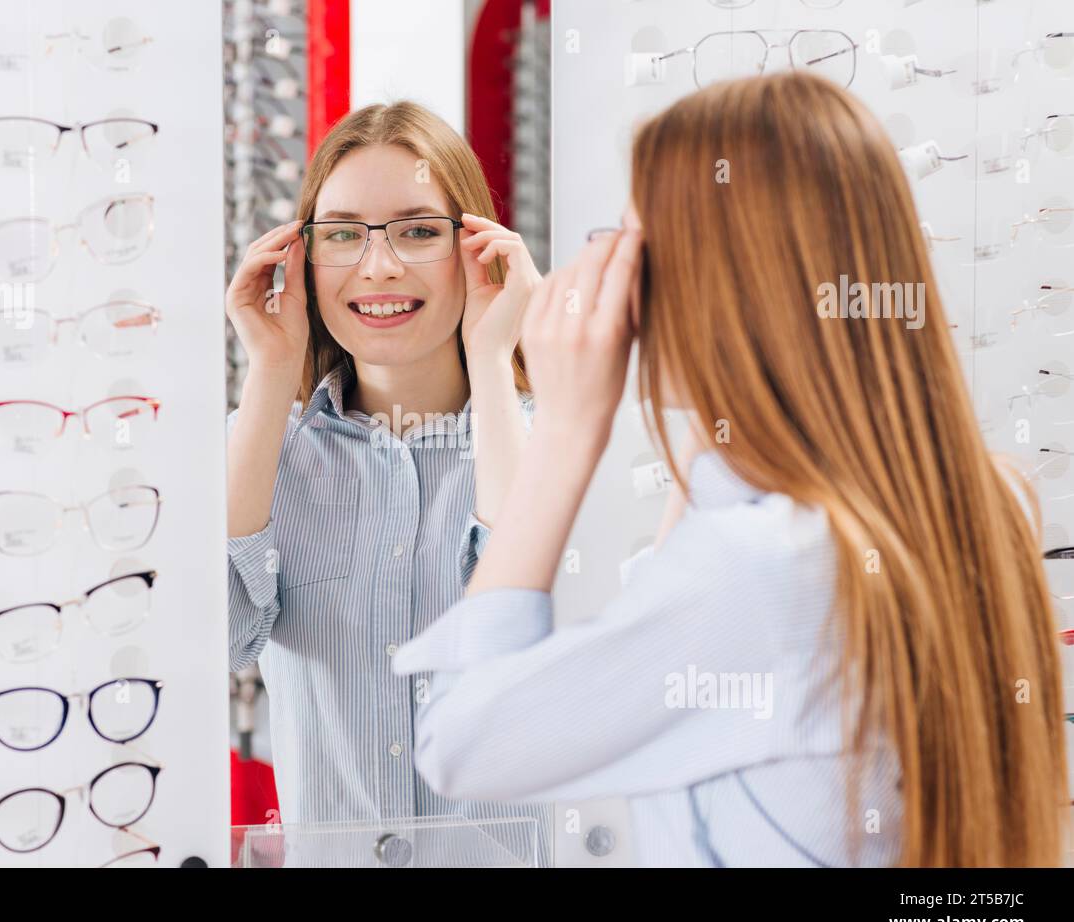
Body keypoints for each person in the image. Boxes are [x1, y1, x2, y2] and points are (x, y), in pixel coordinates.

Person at [392, 72, 1070, 867]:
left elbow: (461, 744)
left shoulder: (764, 569)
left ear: (724, 286)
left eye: (634, 249)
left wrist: (569, 430)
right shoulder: (982, 502)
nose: (614, 280)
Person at [225, 100, 553, 864]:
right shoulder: (266, 452)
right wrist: (269, 370)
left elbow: (521, 628)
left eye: (416, 231)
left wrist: (494, 356)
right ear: (303, 259)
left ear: (476, 246)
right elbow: (224, 635)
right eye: (341, 234)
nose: (378, 267)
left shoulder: (548, 441)